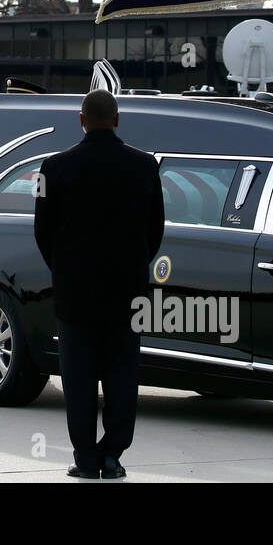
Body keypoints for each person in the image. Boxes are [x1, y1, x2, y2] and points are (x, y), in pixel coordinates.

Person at [33, 89, 164, 480]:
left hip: (75, 292)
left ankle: (86, 459)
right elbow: (155, 228)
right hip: (127, 291)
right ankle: (113, 455)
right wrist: (136, 263)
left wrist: (63, 268)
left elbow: (42, 231)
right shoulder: (145, 167)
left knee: (79, 379)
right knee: (123, 376)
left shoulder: (51, 168)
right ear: (118, 119)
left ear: (81, 120)